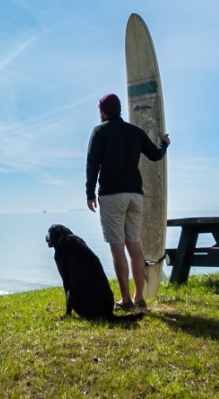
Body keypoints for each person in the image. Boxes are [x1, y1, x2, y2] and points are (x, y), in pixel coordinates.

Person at [85, 93, 170, 310]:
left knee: (117, 247)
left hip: (112, 196)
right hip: (135, 196)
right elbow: (155, 155)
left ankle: (125, 300)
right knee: (134, 245)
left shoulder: (99, 131)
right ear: (119, 109)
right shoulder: (135, 132)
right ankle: (139, 298)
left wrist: (90, 193)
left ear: (103, 112)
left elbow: (92, 164)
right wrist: (164, 144)